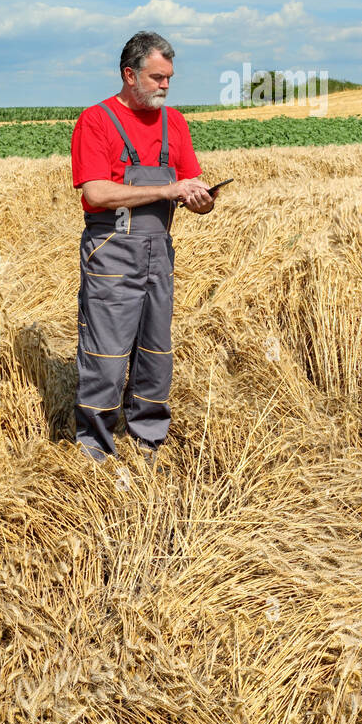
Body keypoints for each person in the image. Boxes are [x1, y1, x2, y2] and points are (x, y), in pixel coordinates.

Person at [69, 31, 219, 467]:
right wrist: (169, 189)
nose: (165, 86)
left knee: (156, 352)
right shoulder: (95, 121)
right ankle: (94, 449)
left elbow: (192, 186)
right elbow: (96, 193)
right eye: (156, 78)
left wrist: (202, 201)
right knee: (107, 356)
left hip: (159, 253)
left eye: (169, 78)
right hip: (112, 254)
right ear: (129, 74)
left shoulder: (176, 123)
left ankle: (148, 440)